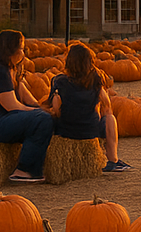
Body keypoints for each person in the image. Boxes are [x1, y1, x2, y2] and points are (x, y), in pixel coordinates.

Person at [0, 29, 54, 183]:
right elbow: (12, 106)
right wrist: (39, 114)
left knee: (44, 117)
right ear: (10, 49)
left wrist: (41, 108)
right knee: (41, 120)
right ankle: (25, 170)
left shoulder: (11, 69)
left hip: (0, 119)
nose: (24, 52)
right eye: (21, 48)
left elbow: (25, 96)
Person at [48, 43, 129, 172]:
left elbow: (56, 109)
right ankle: (113, 160)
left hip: (65, 131)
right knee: (110, 118)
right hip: (90, 130)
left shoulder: (59, 81)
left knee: (46, 117)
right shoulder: (95, 80)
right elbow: (107, 106)